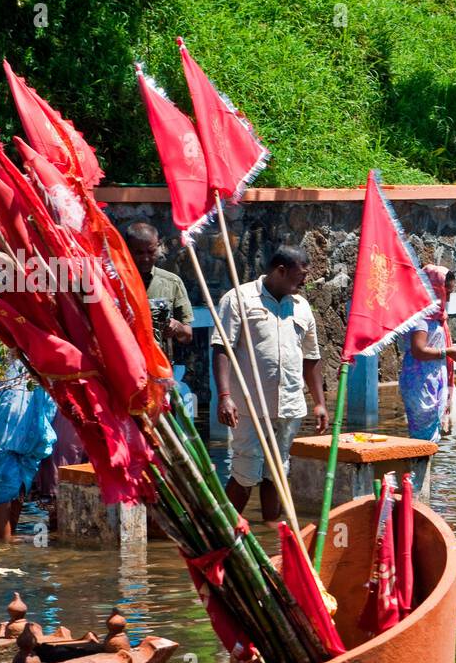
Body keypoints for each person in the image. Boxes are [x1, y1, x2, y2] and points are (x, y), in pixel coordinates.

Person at [211, 244, 328, 525]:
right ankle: (225, 530)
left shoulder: (301, 306)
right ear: (281, 271)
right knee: (245, 470)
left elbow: (311, 358)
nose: (305, 280)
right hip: (248, 404)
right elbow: (221, 348)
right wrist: (224, 396)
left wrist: (320, 403)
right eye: (301, 274)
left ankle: (272, 530)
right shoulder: (239, 299)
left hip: (289, 403)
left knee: (277, 469)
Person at [0, 358, 57, 542]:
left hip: (31, 426)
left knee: (22, 481)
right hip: (0, 426)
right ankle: (2, 541)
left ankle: (7, 540)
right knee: (6, 480)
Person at [401, 265, 456, 442]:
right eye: (447, 292)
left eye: (451, 292)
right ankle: (417, 469)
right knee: (422, 438)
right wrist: (447, 352)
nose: (449, 297)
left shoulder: (438, 316)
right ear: (434, 288)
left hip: (433, 379)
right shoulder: (421, 316)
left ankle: (423, 469)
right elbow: (418, 350)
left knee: (432, 437)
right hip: (420, 382)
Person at [125, 221, 194, 363]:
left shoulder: (172, 283)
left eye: (150, 252)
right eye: (139, 253)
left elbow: (187, 335)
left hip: (160, 370)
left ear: (158, 247)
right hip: (125, 368)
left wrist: (177, 327)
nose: (145, 258)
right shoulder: (115, 283)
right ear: (127, 249)